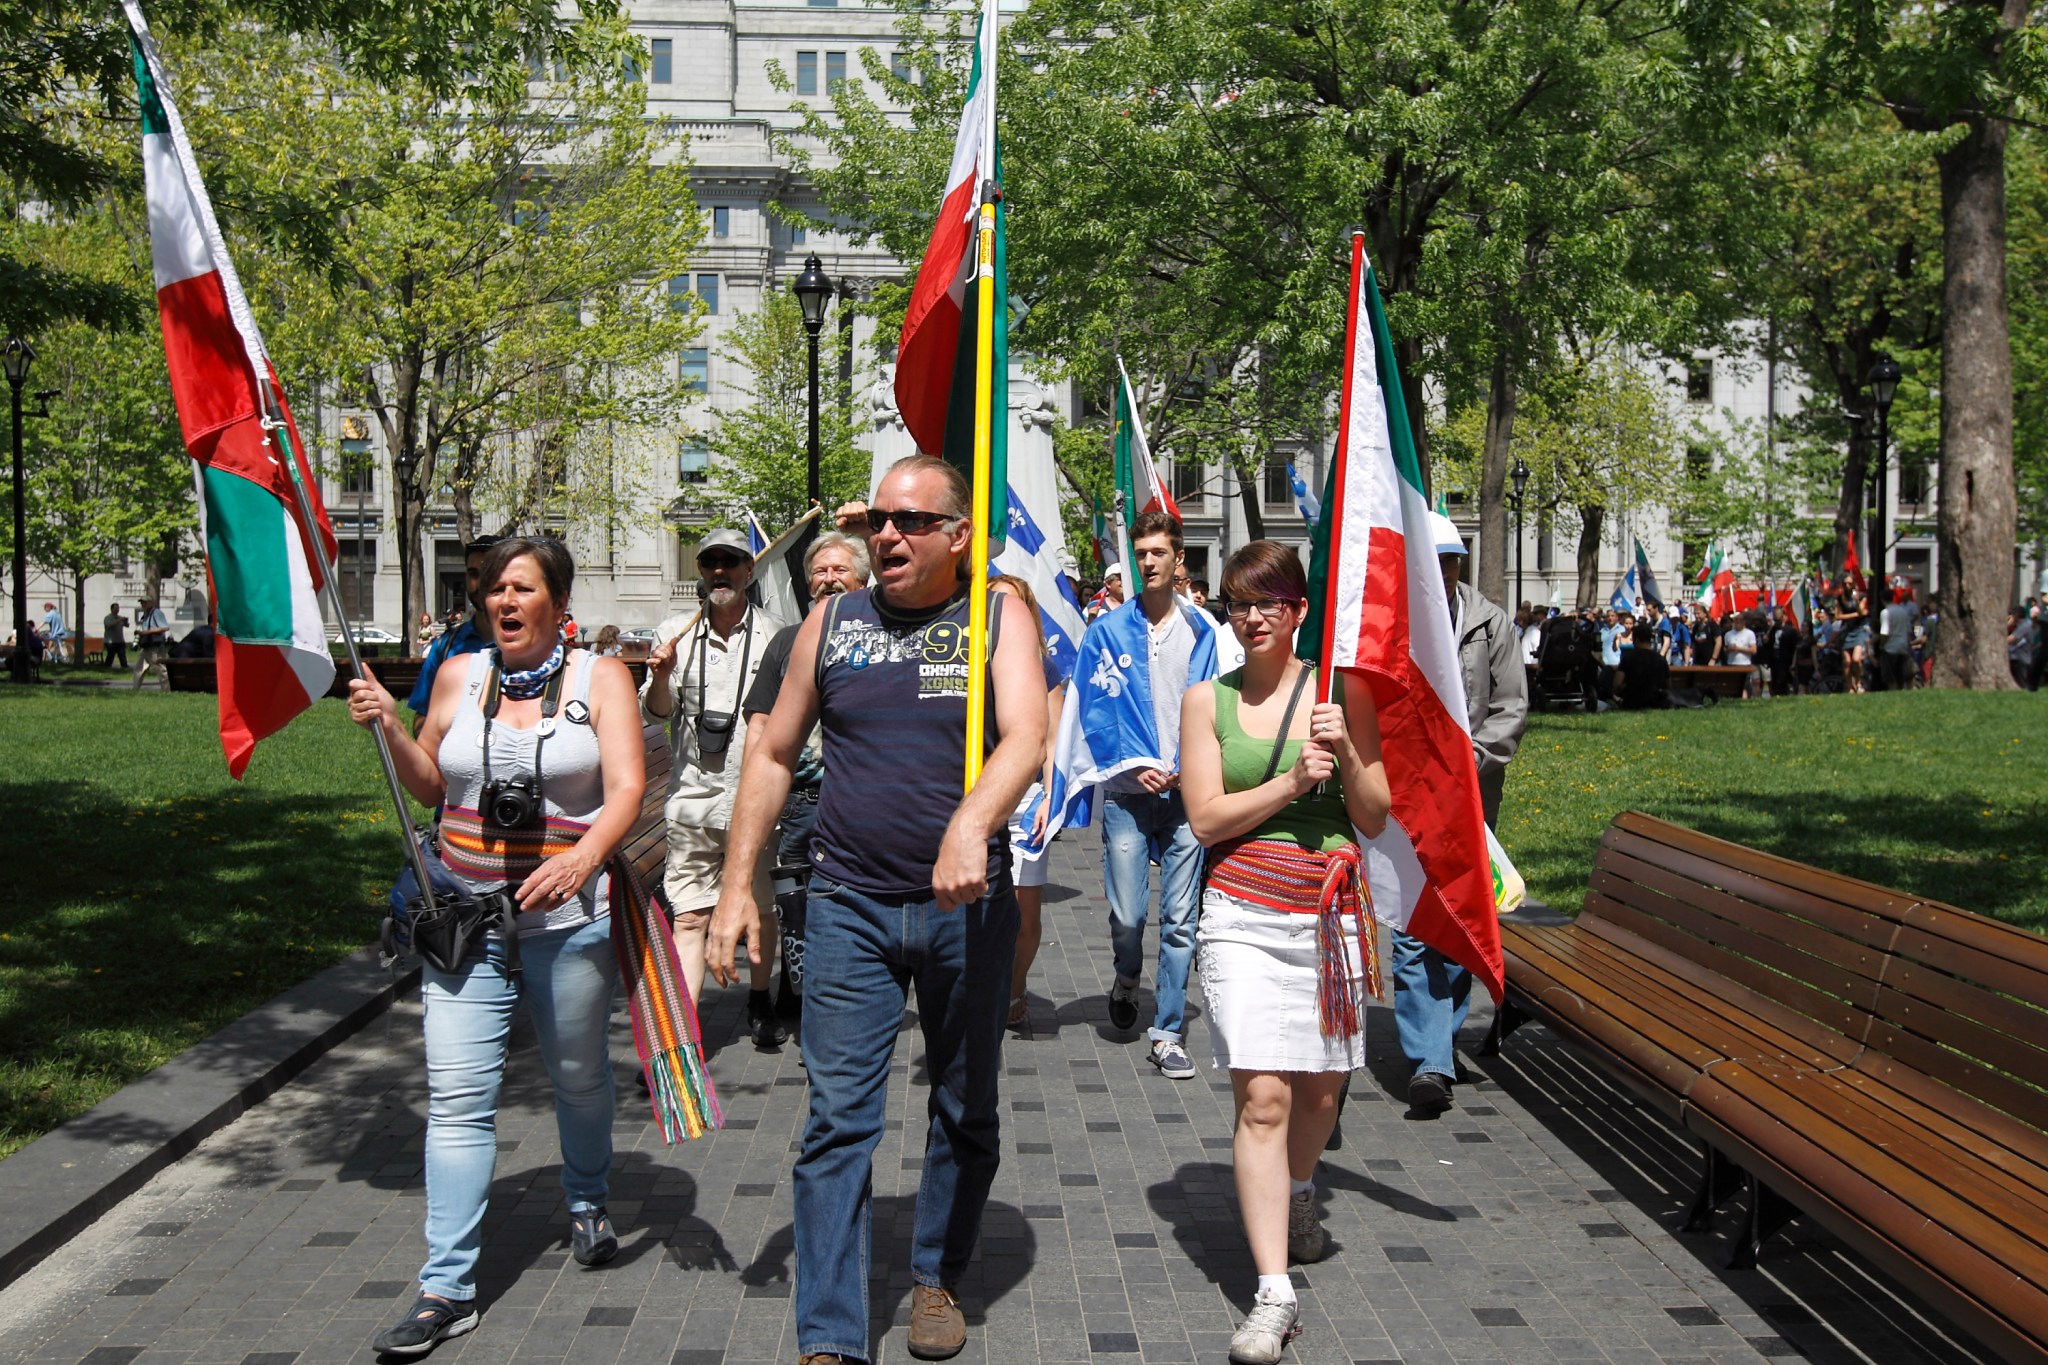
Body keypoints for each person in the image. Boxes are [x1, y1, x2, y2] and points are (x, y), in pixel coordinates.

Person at [707, 455, 1049, 1365]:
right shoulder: (832, 619)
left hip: (965, 910)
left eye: (912, 521)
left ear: (959, 535)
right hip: (849, 903)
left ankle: (936, 1271)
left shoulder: (998, 617)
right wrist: (737, 884)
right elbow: (774, 753)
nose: (888, 535)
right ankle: (830, 1332)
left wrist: (972, 822)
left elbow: (1029, 738)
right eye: (879, 522)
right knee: (837, 1121)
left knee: (966, 1104)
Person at [345, 537, 645, 1358]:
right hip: (465, 920)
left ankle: (585, 1196)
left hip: (569, 919)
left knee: (578, 1074)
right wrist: (389, 729)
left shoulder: (602, 678)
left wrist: (583, 856)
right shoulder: (457, 676)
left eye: (521, 588)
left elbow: (627, 787)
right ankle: (446, 1286)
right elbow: (433, 785)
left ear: (557, 599)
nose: (504, 602)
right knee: (456, 1098)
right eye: (493, 590)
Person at [1179, 540, 1391, 1365]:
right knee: (1263, 1097)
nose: (1253, 617)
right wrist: (1292, 784)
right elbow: (1205, 819)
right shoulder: (1208, 701)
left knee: (1320, 1098)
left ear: (1301, 611)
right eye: (1238, 603)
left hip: (1327, 914)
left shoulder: (1342, 694)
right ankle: (1273, 1292)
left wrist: (1347, 752)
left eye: (1269, 603)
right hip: (1240, 911)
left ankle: (1302, 1187)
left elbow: (1373, 815)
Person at [1062, 511, 1221, 1080]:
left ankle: (1169, 1031)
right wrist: (1131, 764)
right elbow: (1092, 712)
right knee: (1130, 914)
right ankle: (1127, 974)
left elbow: (1218, 708)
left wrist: (1187, 767)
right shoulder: (1106, 632)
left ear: (1179, 560)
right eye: (1141, 553)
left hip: (1187, 799)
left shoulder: (1205, 631)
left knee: (1181, 919)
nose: (1149, 562)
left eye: (1159, 553)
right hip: (1129, 797)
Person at [1391, 514, 1527, 1117]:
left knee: (1460, 921)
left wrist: (1469, 757)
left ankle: (1438, 1051)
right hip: (1409, 798)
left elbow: (1510, 708)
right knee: (1412, 926)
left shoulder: (1489, 621)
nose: (1440, 571)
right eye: (1431, 559)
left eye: (1449, 560)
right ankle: (1429, 1062)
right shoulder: (1394, 620)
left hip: (1471, 798)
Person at [644, 527, 788, 1047]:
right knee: (690, 915)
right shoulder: (674, 633)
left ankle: (759, 998)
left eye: (730, 562)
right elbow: (658, 712)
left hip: (755, 801)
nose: (719, 571)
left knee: (760, 905)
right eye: (710, 564)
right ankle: (680, 1037)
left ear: (750, 570)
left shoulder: (776, 634)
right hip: (693, 801)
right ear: (701, 572)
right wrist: (660, 676)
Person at [739, 530, 873, 1031]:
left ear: (862, 579)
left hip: (861, 805)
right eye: (820, 571)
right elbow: (759, 728)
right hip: (801, 804)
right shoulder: (786, 642)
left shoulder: (883, 639)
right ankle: (798, 996)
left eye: (840, 570)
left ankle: (843, 1003)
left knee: (848, 906)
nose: (829, 579)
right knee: (797, 909)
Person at [990, 572, 1068, 1031]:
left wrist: (1050, 797)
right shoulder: (963, 660)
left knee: (1023, 911)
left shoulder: (1044, 666)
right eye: (995, 603)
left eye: (1013, 604)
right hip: (975, 800)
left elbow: (1055, 738)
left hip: (1026, 806)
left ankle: (1015, 985)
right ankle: (979, 986)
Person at [408, 536, 500, 723]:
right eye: (474, 574)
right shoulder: (445, 646)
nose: (480, 584)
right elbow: (422, 718)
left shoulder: (529, 649)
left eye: (490, 574)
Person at [1615, 624, 1671, 709]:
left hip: (1632, 701)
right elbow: (1668, 684)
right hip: (1656, 701)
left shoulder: (1628, 657)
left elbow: (1616, 684)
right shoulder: (1660, 659)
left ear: (1636, 639)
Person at [1878, 589, 1918, 692]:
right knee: (1900, 675)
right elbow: (1908, 630)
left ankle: (1893, 693)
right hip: (1903, 647)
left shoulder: (1885, 612)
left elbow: (1884, 632)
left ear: (1882, 600)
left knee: (1890, 677)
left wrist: (1882, 645)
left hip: (1890, 648)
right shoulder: (1902, 610)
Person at [133, 599, 171, 687]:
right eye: (142, 603)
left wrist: (146, 632)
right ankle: (134, 690)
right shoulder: (146, 615)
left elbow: (164, 627)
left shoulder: (156, 613)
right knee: (138, 669)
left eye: (145, 602)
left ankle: (166, 690)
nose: (143, 604)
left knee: (161, 670)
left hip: (155, 647)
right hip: (146, 646)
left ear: (151, 603)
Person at [1721, 612, 1760, 698]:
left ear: (1744, 622)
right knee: (1732, 685)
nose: (1737, 623)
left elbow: (1753, 650)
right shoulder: (1728, 634)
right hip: (1731, 663)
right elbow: (1725, 650)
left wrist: (1739, 649)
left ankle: (1744, 701)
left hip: (1744, 664)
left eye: (1739, 621)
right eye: (1735, 621)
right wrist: (1729, 649)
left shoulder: (1749, 634)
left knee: (1744, 686)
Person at [102, 604, 129, 671]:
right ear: (111, 609)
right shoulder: (108, 618)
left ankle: (124, 667)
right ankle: (107, 667)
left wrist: (125, 621)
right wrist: (119, 620)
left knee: (122, 655)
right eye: (115, 608)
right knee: (110, 655)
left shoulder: (120, 618)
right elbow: (109, 626)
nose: (117, 610)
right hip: (110, 641)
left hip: (120, 640)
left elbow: (127, 625)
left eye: (118, 608)